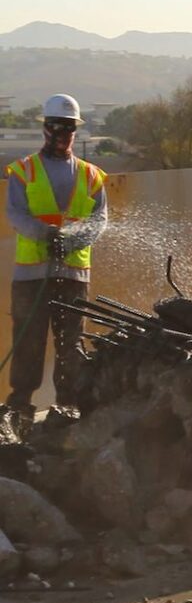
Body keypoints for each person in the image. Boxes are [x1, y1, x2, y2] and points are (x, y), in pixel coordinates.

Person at [4, 94, 108, 412]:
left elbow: (100, 220)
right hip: (31, 277)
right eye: (56, 126)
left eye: (68, 127)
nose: (62, 133)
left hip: (74, 276)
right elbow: (15, 214)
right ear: (45, 128)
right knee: (28, 343)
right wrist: (46, 235)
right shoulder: (24, 171)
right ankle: (20, 407)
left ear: (75, 131)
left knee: (70, 346)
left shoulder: (91, 176)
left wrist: (73, 241)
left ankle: (68, 407)